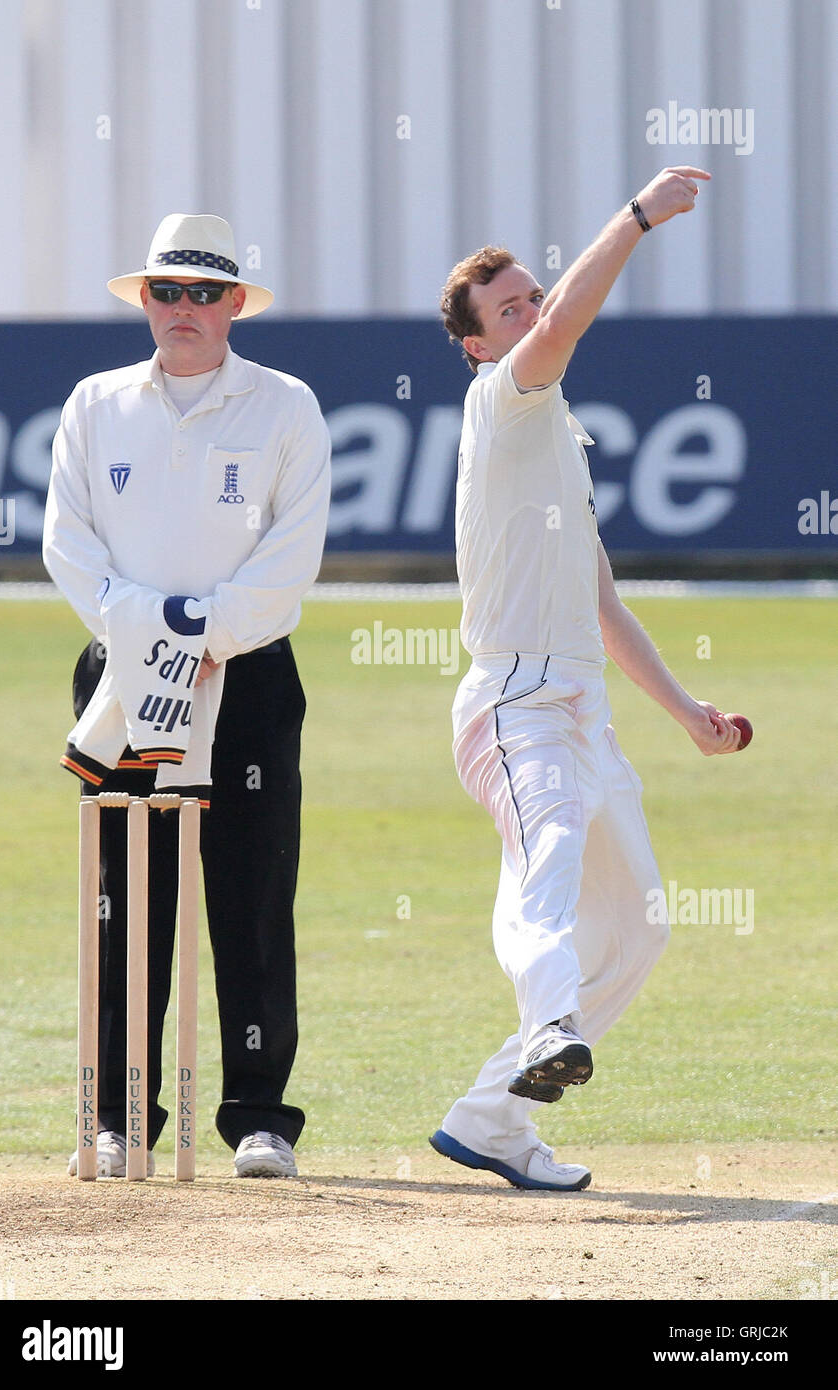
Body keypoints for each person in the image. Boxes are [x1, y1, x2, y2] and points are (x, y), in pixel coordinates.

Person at [430, 167, 743, 1193]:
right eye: (506, 308)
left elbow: (602, 602)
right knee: (547, 855)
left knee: (641, 922)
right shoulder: (502, 399)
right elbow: (563, 325)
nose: (526, 314)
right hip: (513, 701)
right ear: (478, 342)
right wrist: (637, 218)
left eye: (529, 296)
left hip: (581, 705)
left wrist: (688, 715)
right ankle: (547, 1023)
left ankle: (493, 1120)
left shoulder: (554, 435)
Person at [43, 213, 331, 1179]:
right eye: (167, 292)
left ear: (237, 303)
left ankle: (257, 1116)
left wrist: (201, 634)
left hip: (242, 676)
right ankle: (124, 1116)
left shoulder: (286, 406)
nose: (185, 310)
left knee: (252, 892)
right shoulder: (96, 403)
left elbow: (291, 562)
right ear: (146, 302)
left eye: (205, 292)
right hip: (125, 678)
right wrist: (145, 633)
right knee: (126, 897)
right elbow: (66, 543)